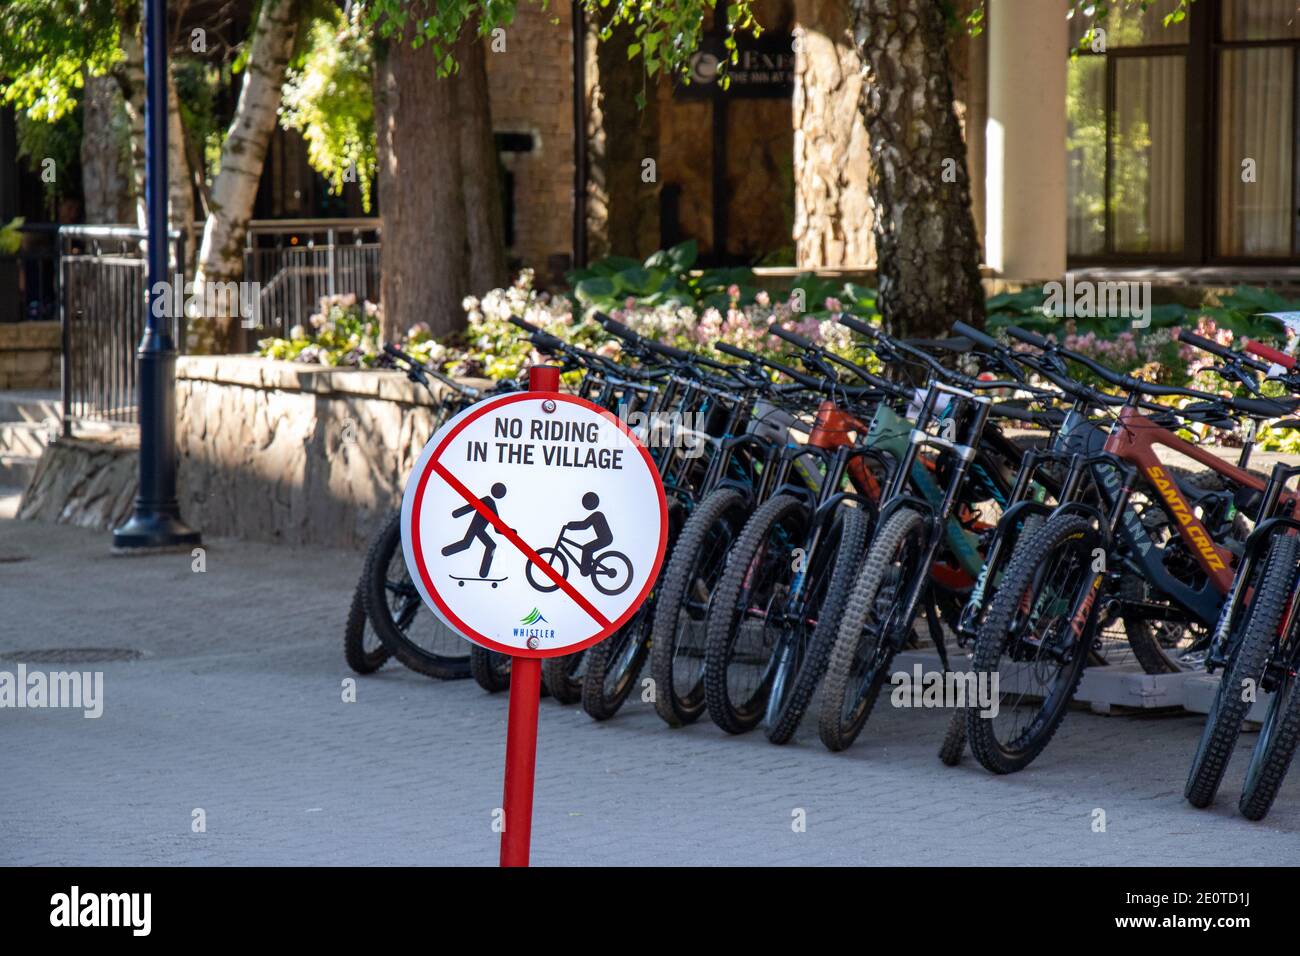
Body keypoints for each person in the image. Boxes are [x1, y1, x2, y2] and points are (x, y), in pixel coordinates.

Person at [441, 483, 507, 578]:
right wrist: (457, 513)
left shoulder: (490, 503)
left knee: (485, 545)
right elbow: (472, 506)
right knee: (467, 544)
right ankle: (445, 552)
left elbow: (496, 527)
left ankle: (483, 573)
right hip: (475, 528)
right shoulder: (488, 501)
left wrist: (510, 532)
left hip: (480, 530)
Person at [565, 491, 613, 576]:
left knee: (587, 548)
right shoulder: (596, 514)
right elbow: (584, 525)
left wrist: (570, 525)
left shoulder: (597, 515)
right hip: (604, 538)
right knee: (587, 548)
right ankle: (586, 569)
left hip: (605, 538)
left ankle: (586, 570)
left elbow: (584, 525)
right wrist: (571, 526)